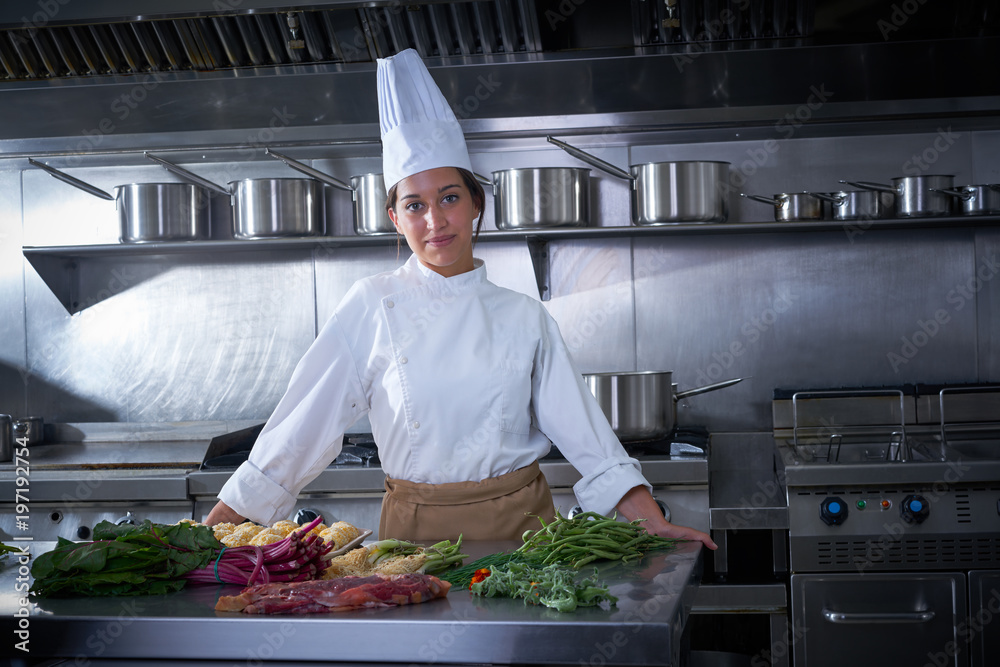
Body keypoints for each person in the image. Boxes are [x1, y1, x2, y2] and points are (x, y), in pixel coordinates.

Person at [206, 49, 716, 550]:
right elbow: (302, 425)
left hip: (525, 538)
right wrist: (214, 530)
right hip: (415, 539)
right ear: (395, 218)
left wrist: (648, 517)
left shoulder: (522, 316)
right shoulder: (371, 305)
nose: (436, 221)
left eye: (450, 197)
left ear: (476, 203)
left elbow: (586, 432)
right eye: (415, 205)